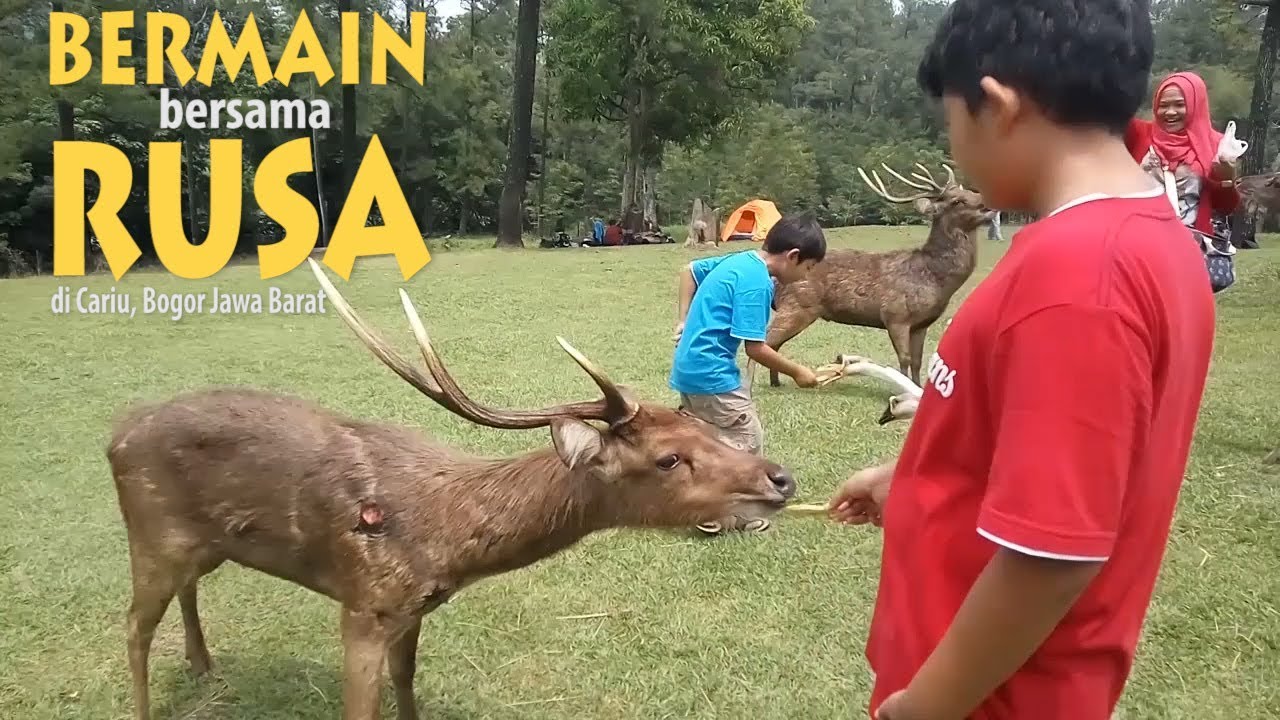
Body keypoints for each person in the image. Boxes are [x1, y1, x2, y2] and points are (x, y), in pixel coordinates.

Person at [828, 2, 1216, 719]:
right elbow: (1065, 455)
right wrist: (911, 481)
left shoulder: (1080, 278)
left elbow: (1052, 555)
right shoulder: (1144, 241)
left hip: (990, 698)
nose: (956, 153)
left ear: (998, 106)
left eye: (951, 124)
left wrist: (929, 706)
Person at [671, 212, 826, 535]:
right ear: (793, 256)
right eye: (808, 268)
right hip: (714, 375)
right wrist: (799, 372)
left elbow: (689, 271)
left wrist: (684, 320)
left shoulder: (741, 260)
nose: (806, 276)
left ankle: (706, 508)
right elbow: (755, 348)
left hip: (689, 368)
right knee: (746, 440)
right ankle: (722, 510)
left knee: (708, 436)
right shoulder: (756, 283)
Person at [1125, 71, 1241, 237]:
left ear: (1196, 104)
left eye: (1179, 105)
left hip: (1194, 245)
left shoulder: (1218, 145)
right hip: (1141, 240)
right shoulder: (1140, 134)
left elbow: (1226, 207)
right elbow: (1104, 113)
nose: (1170, 112)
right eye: (1163, 105)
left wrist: (1226, 180)